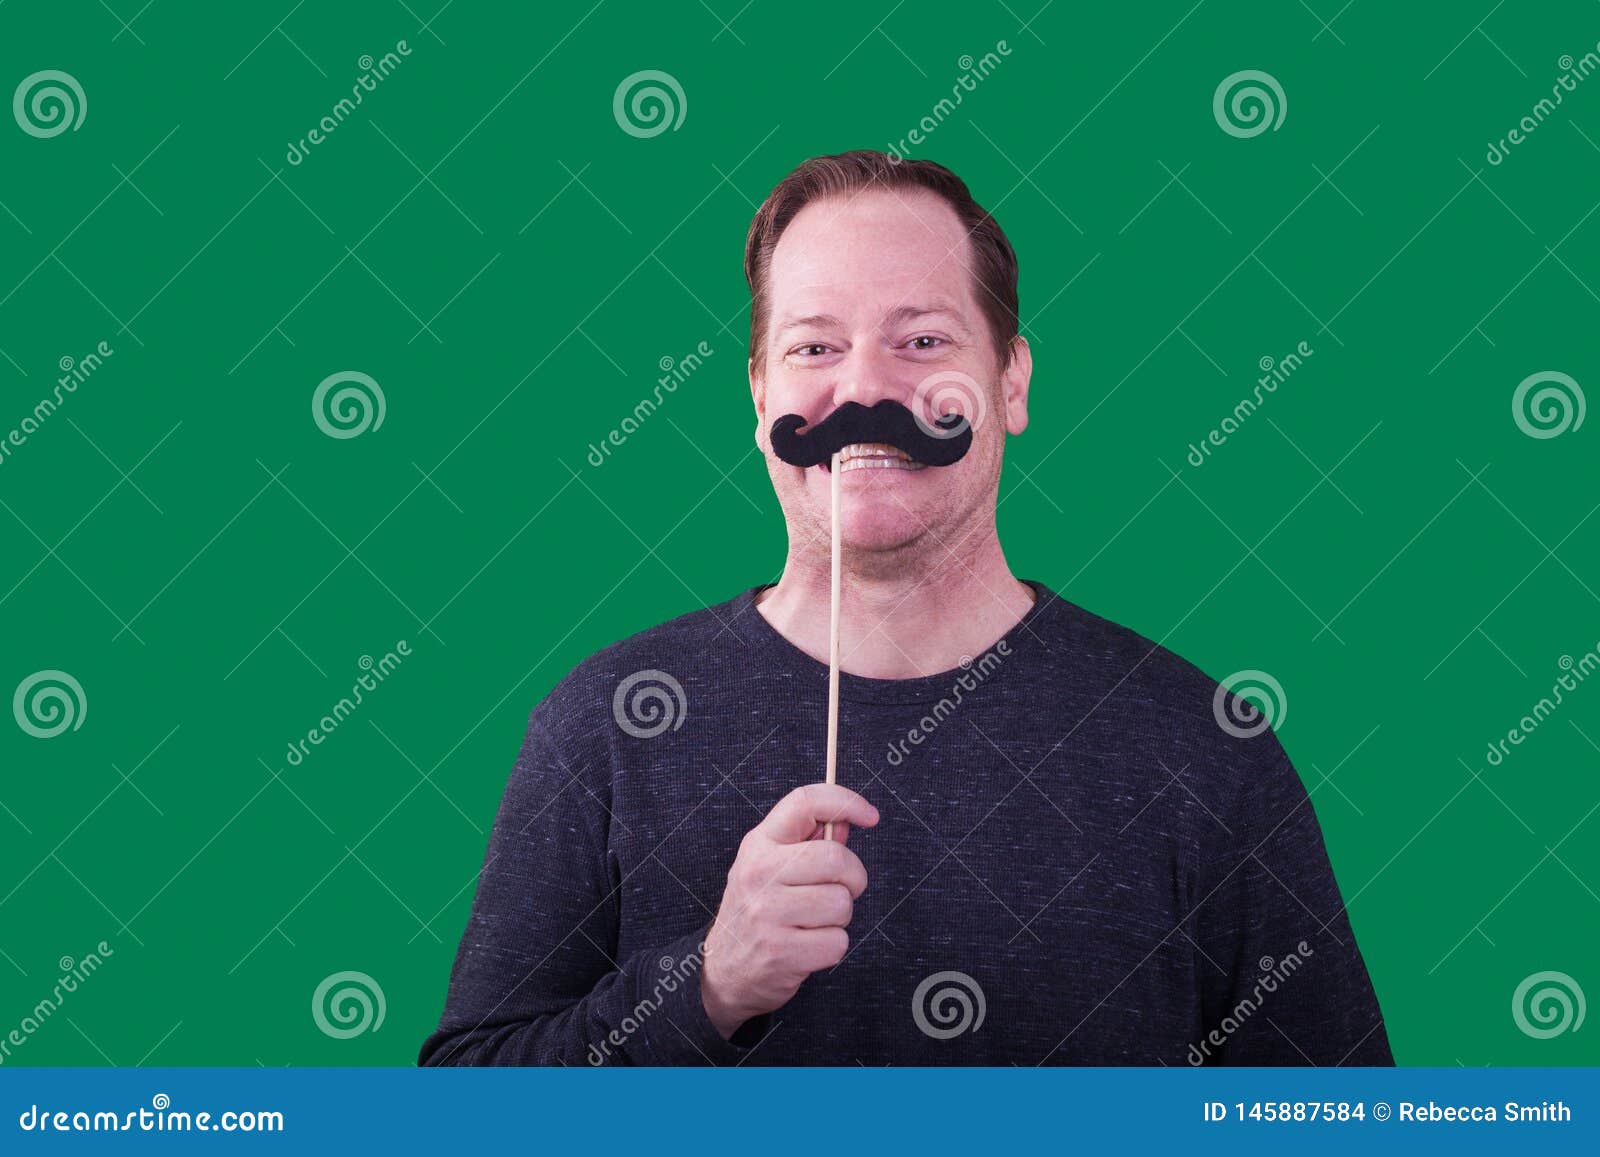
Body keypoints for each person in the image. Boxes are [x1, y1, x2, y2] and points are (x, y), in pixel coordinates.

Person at [418, 150, 1391, 1065]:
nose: (865, 388)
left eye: (922, 340)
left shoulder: (1200, 742)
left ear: (1011, 380)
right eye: (814, 346)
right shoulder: (607, 723)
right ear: (760, 397)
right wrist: (707, 986)